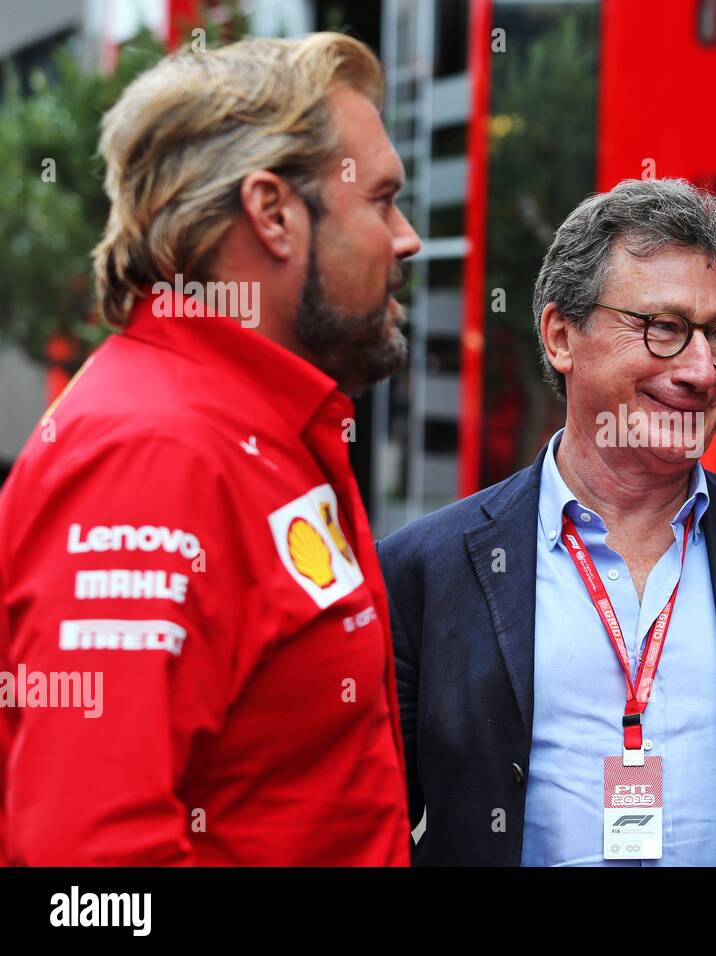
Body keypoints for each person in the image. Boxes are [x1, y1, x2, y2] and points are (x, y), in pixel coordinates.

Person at [379, 178, 716, 866]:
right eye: (665, 329)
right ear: (562, 336)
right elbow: (373, 819)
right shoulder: (427, 569)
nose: (700, 371)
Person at [0, 33, 420, 864]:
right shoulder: (155, 454)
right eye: (380, 202)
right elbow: (88, 868)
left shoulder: (252, 422)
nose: (405, 238)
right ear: (272, 213)